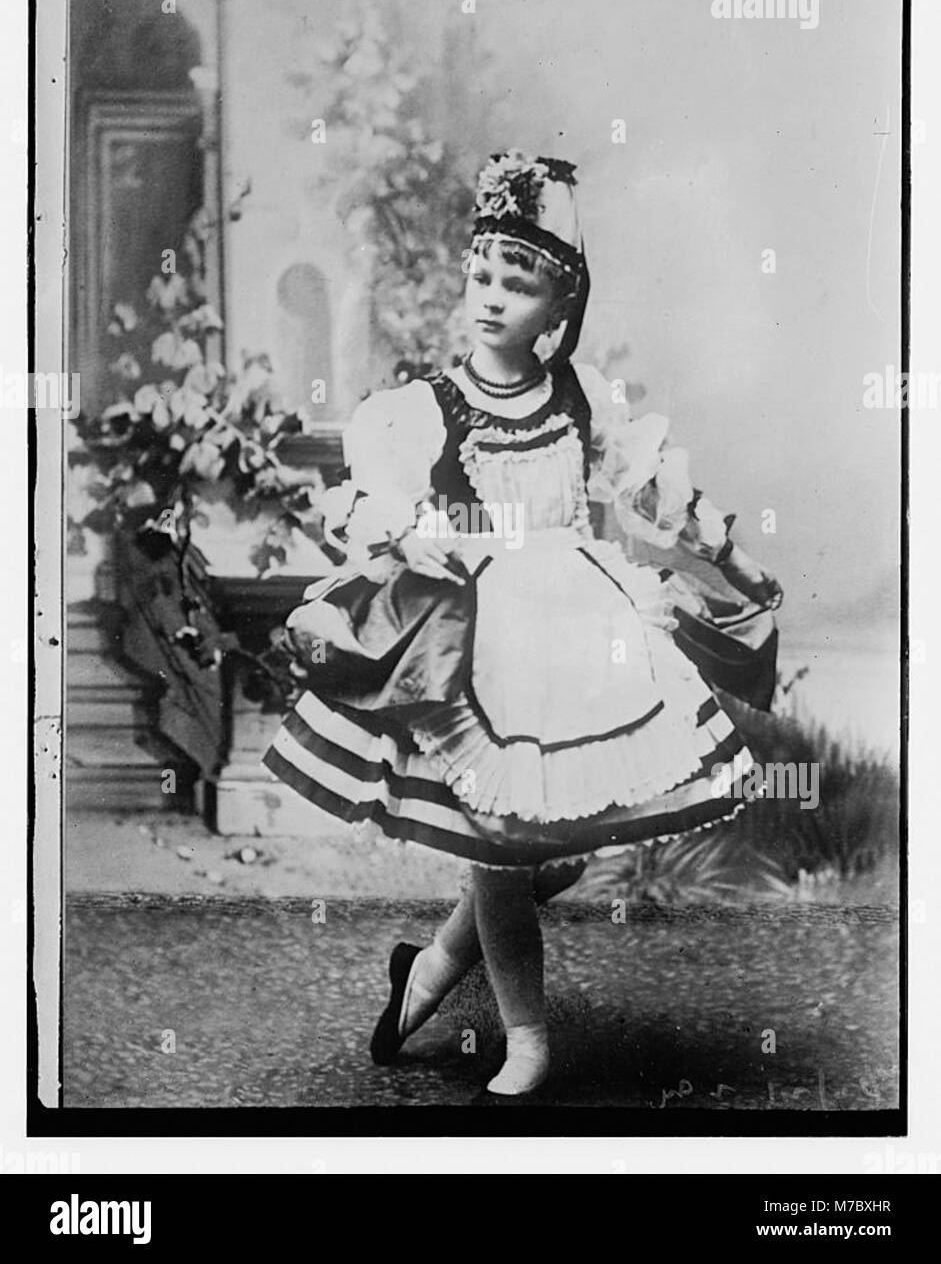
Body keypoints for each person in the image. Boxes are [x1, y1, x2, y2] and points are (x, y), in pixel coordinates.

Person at [262, 149, 782, 1099]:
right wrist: (413, 536)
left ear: (560, 303)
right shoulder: (428, 408)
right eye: (484, 275)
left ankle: (423, 973)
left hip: (580, 629)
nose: (494, 297)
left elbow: (661, 499)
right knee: (501, 847)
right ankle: (526, 1036)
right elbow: (373, 505)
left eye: (521, 282)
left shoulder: (582, 403)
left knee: (551, 855)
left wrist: (739, 565)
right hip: (477, 639)